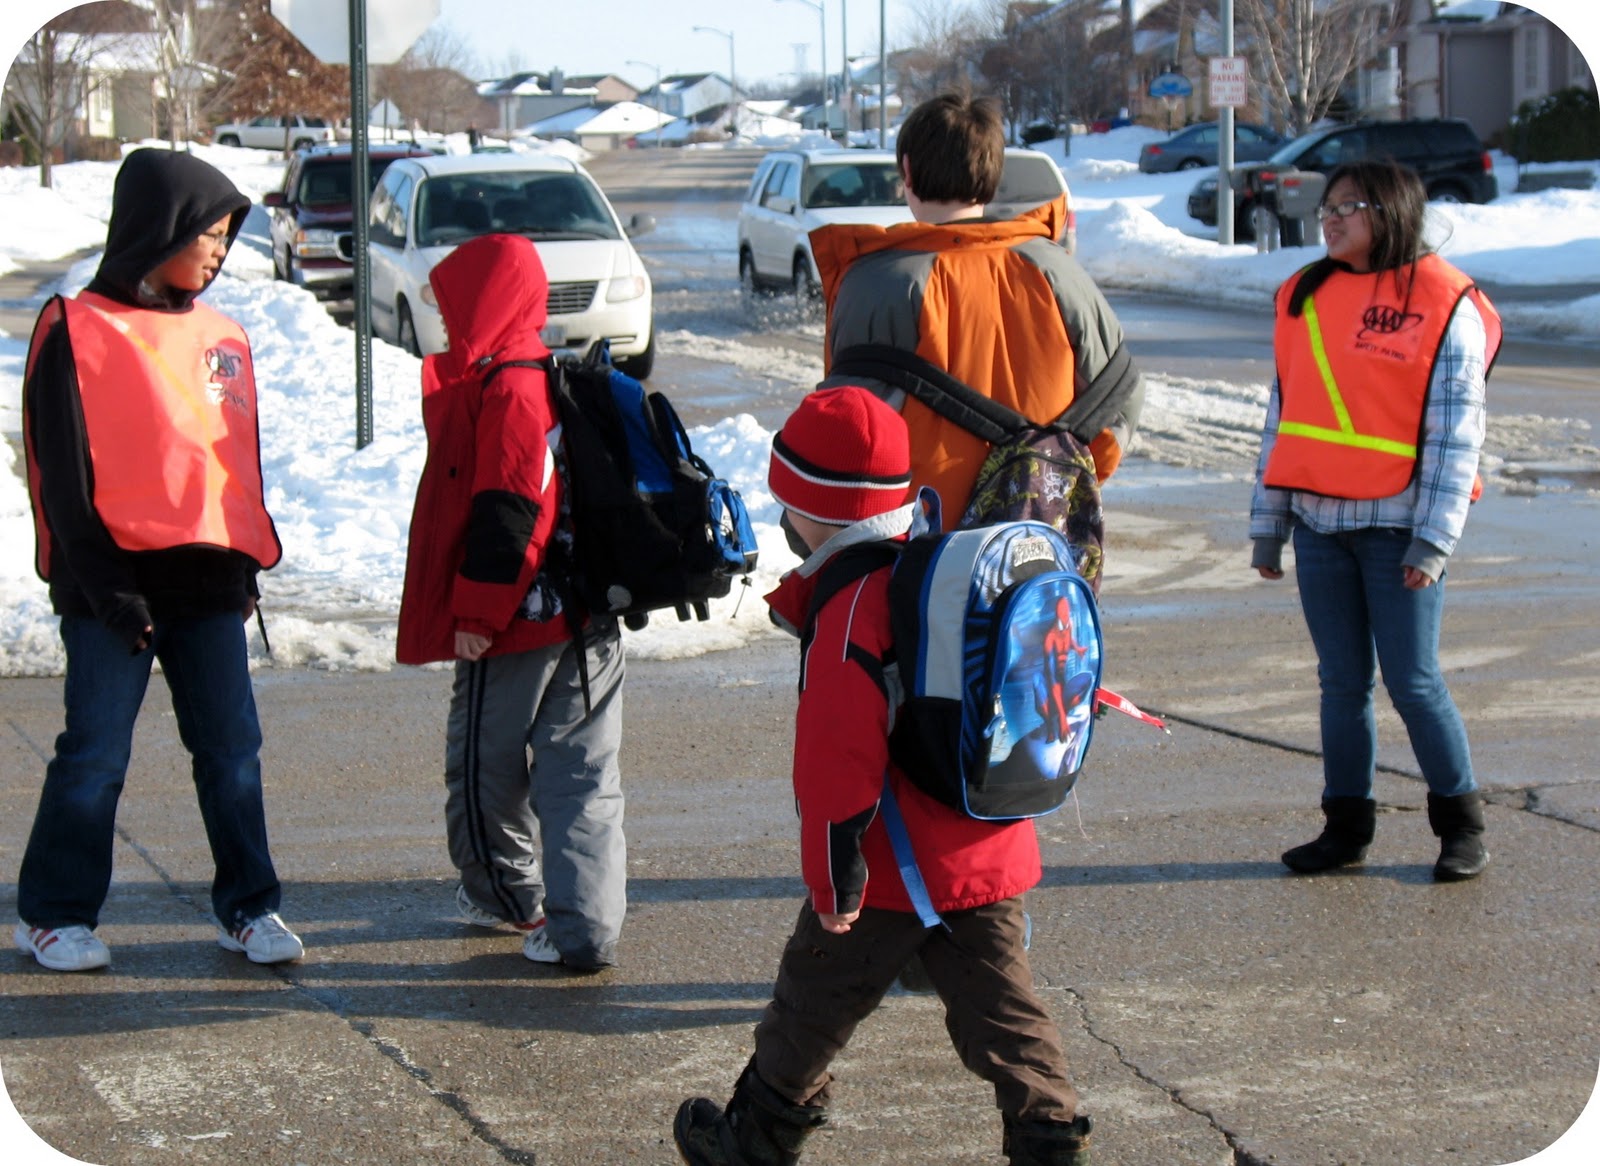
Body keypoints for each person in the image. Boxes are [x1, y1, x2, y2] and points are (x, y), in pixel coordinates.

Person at [673, 387, 1093, 1166]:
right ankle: (1051, 1143)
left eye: (788, 501)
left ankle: (753, 1139)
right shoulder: (934, 567)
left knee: (812, 999)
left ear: (815, 512)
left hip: (892, 866)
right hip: (986, 843)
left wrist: (835, 878)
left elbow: (838, 760)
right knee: (1005, 1016)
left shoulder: (852, 606)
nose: (783, 515)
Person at [15, 148, 301, 972]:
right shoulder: (76, 328)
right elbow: (62, 484)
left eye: (226, 235)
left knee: (232, 751)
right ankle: (54, 914)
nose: (218, 251)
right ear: (158, 228)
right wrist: (109, 591)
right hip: (113, 590)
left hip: (205, 584)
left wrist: (241, 572)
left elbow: (226, 470)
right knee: (96, 753)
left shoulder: (220, 336)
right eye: (206, 233)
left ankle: (249, 907)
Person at [1250, 159, 1501, 882]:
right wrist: (1269, 523)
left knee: (1414, 682)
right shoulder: (1304, 294)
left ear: (1390, 213)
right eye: (1326, 208)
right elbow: (1283, 416)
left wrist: (1435, 539)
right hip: (1318, 523)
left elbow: (1457, 434)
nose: (1329, 219)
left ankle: (1461, 827)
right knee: (1340, 683)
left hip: (1400, 528)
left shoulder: (1444, 302)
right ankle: (1345, 828)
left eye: (1348, 207)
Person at [396, 232, 626, 971]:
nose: (443, 318)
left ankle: (504, 894)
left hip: (518, 623)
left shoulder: (511, 387)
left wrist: (477, 614)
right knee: (579, 774)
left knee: (482, 764)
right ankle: (584, 929)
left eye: (452, 304)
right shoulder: (542, 374)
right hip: (585, 612)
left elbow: (511, 508)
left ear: (485, 303)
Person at [811, 92, 1143, 513]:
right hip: (1037, 536)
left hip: (917, 538)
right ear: (992, 170)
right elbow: (1120, 396)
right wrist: (1061, 480)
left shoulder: (875, 284)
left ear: (906, 170)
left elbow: (847, 433)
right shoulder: (1058, 272)